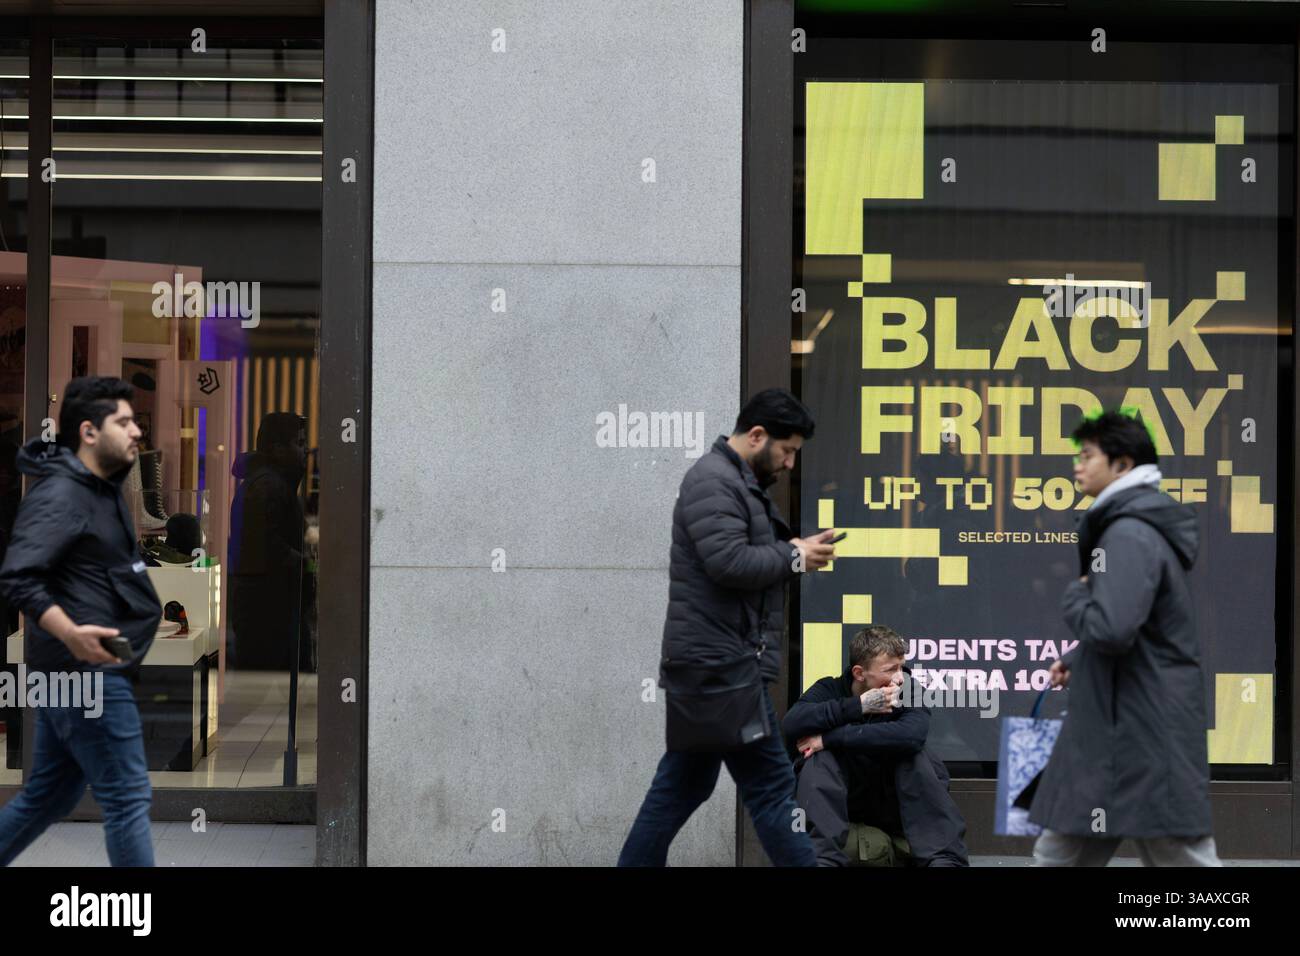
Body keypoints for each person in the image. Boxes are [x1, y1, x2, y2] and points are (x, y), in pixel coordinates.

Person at [618, 388, 836, 866]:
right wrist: (795, 555)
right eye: (787, 450)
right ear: (757, 435)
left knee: (684, 786)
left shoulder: (734, 483)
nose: (790, 464)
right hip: (723, 669)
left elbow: (742, 556)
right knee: (773, 790)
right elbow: (729, 562)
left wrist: (793, 550)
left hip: (718, 666)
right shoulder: (714, 481)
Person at [1029, 409, 1220, 866]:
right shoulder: (1131, 528)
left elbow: (1113, 628)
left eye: (1088, 455)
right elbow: (1131, 624)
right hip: (1125, 735)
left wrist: (1075, 598)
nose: (1078, 464)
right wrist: (1078, 658)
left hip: (1138, 736)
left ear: (1123, 465)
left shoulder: (1128, 534)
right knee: (1061, 852)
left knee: (1176, 854)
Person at [0, 376, 161, 867]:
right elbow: (18, 576)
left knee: (48, 797)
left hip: (80, 673)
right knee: (128, 799)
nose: (137, 431)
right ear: (89, 432)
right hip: (86, 674)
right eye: (125, 422)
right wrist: (70, 632)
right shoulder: (61, 495)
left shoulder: (100, 490)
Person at [784, 624, 969, 867]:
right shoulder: (829, 689)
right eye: (891, 669)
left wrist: (829, 739)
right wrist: (857, 706)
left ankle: (943, 860)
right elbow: (791, 724)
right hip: (846, 813)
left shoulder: (907, 688)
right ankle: (821, 862)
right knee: (819, 759)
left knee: (916, 755)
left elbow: (913, 734)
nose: (899, 676)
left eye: (901, 666)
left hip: (897, 809)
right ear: (860, 673)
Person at [228, 412, 309, 672]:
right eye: (299, 443)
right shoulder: (268, 486)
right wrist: (307, 565)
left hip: (268, 608)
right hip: (267, 612)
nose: (305, 451)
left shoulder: (269, 483)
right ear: (277, 449)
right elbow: (267, 546)